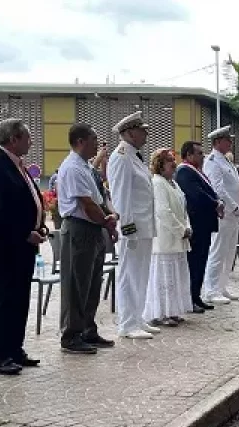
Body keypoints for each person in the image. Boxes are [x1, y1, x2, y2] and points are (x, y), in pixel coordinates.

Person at [0, 118, 47, 375]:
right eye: (27, 137)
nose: (31, 142)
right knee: (4, 298)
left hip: (25, 244)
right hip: (4, 245)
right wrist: (23, 232)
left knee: (20, 298)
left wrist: (40, 226)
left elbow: (30, 202)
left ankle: (14, 348)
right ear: (13, 139)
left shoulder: (18, 166)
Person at [58, 123, 118, 355]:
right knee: (76, 284)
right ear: (81, 141)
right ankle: (71, 335)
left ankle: (87, 329)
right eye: (93, 139)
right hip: (79, 228)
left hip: (93, 229)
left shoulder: (84, 166)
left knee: (92, 283)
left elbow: (98, 199)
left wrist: (106, 222)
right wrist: (105, 221)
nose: (97, 144)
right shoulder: (73, 167)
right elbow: (86, 203)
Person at [107, 112, 159, 340]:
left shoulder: (134, 157)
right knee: (129, 274)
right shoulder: (120, 157)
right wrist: (127, 229)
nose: (146, 133)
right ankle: (127, 323)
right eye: (142, 130)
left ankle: (138, 317)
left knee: (141, 273)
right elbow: (120, 197)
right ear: (129, 133)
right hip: (133, 228)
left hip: (144, 225)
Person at [147, 148, 193, 326]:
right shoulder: (158, 183)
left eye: (173, 160)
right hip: (165, 237)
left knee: (176, 276)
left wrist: (187, 226)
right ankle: (161, 312)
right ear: (160, 164)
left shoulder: (173, 183)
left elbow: (182, 208)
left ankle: (173, 310)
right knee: (165, 277)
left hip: (179, 238)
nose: (174, 164)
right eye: (169, 161)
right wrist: (181, 229)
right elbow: (163, 212)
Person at [175, 141, 222, 309]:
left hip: (204, 224)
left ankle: (196, 296)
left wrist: (216, 201)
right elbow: (196, 194)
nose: (203, 156)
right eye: (199, 153)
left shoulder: (197, 172)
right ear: (188, 155)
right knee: (194, 262)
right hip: (196, 223)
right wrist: (215, 203)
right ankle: (190, 298)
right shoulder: (184, 172)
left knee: (201, 261)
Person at [201, 126, 239, 304]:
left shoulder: (226, 161)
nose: (230, 142)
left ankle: (221, 286)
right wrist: (234, 207)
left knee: (229, 252)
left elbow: (235, 188)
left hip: (233, 214)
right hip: (224, 213)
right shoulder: (212, 161)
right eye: (227, 140)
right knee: (218, 251)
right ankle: (211, 289)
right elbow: (217, 188)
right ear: (218, 142)